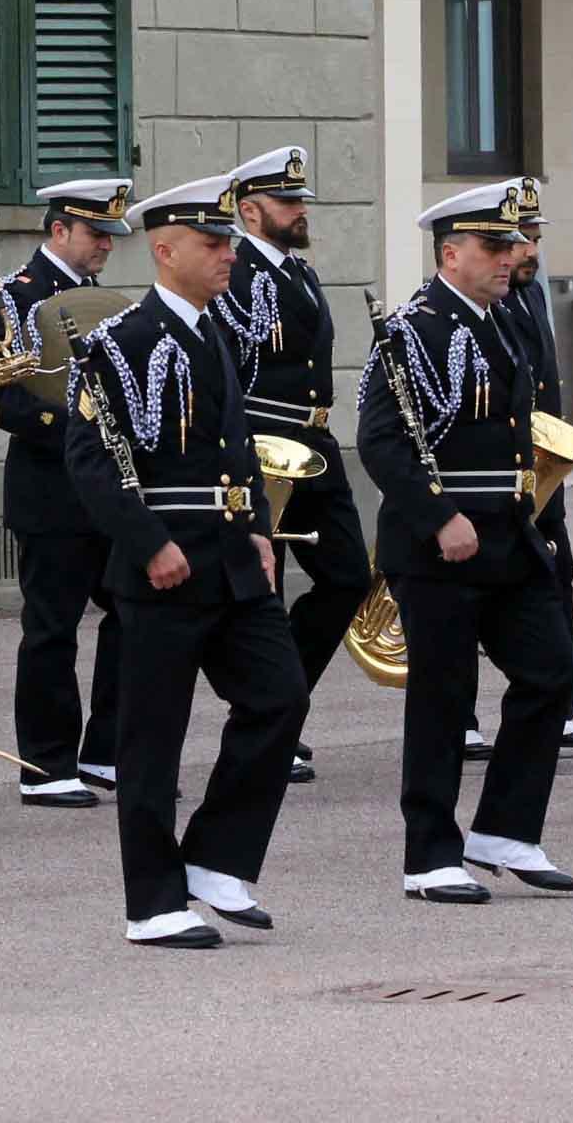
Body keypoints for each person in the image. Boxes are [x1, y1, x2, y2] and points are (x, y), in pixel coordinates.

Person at [63, 174, 308, 946]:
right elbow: (94, 461)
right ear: (165, 250)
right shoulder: (118, 342)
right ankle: (152, 903)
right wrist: (148, 544)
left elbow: (235, 450)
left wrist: (262, 528)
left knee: (280, 699)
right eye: (212, 242)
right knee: (152, 739)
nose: (228, 254)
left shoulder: (213, 330)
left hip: (233, 556)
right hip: (164, 564)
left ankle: (216, 859)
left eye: (229, 240)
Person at [359, 182, 573, 905]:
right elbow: (382, 441)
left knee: (550, 673)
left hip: (509, 532)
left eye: (511, 243)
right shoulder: (412, 328)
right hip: (441, 541)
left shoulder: (505, 319)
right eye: (492, 245)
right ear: (450, 253)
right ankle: (429, 854)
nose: (509, 256)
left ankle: (506, 831)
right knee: (444, 698)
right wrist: (436, 515)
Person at [0, 176, 134, 806]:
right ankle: (46, 763)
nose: (106, 247)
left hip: (108, 491)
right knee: (52, 629)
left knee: (128, 614)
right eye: (96, 234)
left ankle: (105, 751)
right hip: (51, 487)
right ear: (59, 229)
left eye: (111, 237)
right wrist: (76, 426)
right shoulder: (13, 299)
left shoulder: (109, 300)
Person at [214, 146, 373, 787]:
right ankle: (269, 722)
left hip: (315, 446)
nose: (299, 209)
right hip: (262, 444)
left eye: (300, 199)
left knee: (347, 578)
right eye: (287, 201)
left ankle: (286, 705)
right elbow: (226, 368)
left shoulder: (299, 274)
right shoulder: (237, 272)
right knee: (267, 589)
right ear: (250, 211)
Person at [464, 181, 573, 760]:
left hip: (541, 466)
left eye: (535, 238)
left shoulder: (531, 295)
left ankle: (559, 708)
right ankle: (461, 718)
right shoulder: (479, 303)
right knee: (472, 595)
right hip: (494, 472)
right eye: (521, 240)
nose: (530, 251)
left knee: (556, 574)